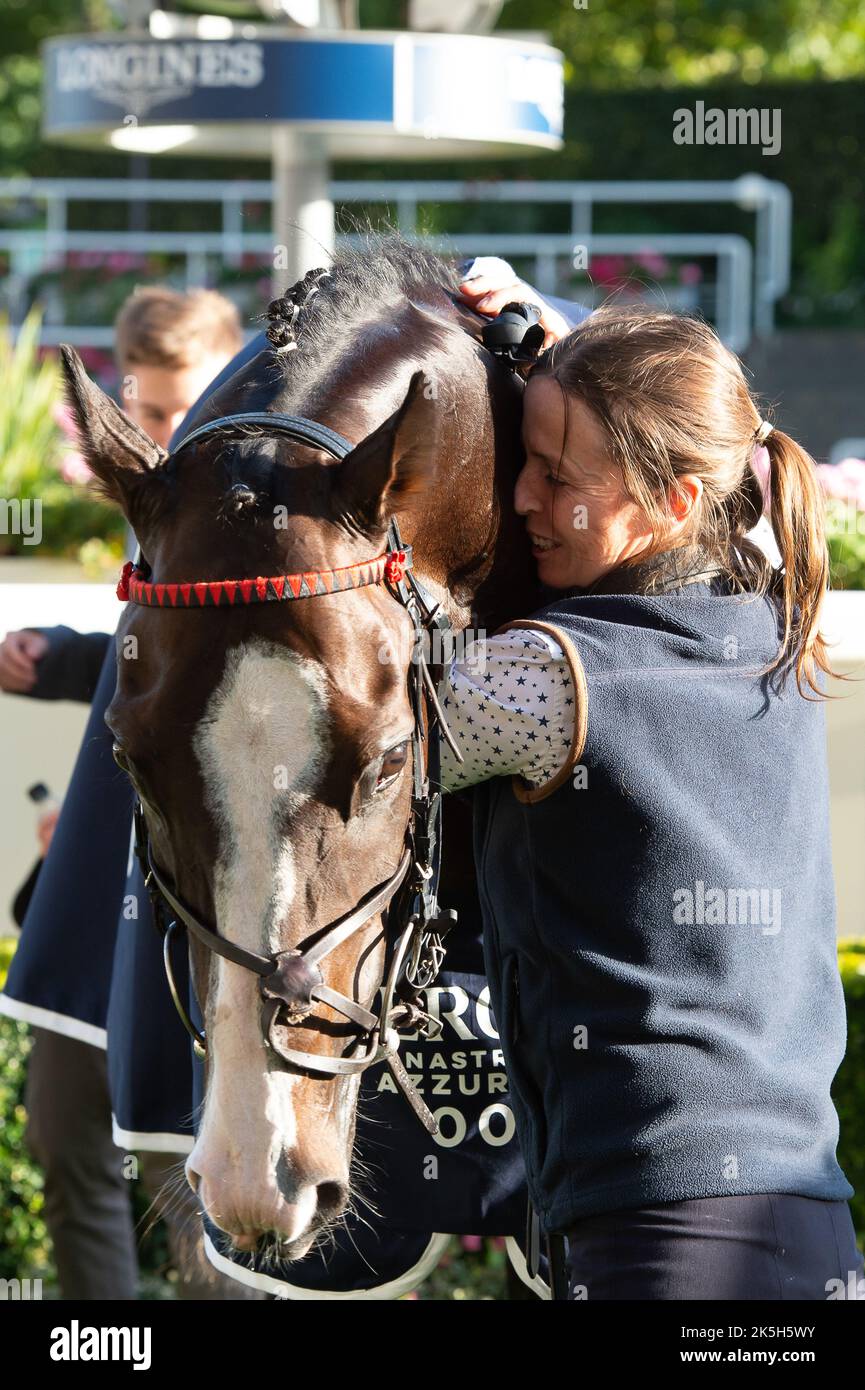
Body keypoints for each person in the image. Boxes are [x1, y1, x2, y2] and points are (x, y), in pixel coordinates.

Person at [437, 271, 864, 1300]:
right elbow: (724, 435)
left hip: (661, 1242)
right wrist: (566, 348)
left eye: (551, 472)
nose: (522, 497)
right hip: (804, 1225)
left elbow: (329, 717)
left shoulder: (546, 676)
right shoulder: (765, 612)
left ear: (672, 498)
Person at [0, 286, 253, 1300]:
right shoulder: (159, 503)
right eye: (143, 414)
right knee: (67, 1134)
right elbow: (153, 660)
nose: (158, 438)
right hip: (98, 867)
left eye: (179, 412)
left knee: (183, 1168)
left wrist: (64, 659)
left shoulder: (254, 512)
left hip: (201, 886)